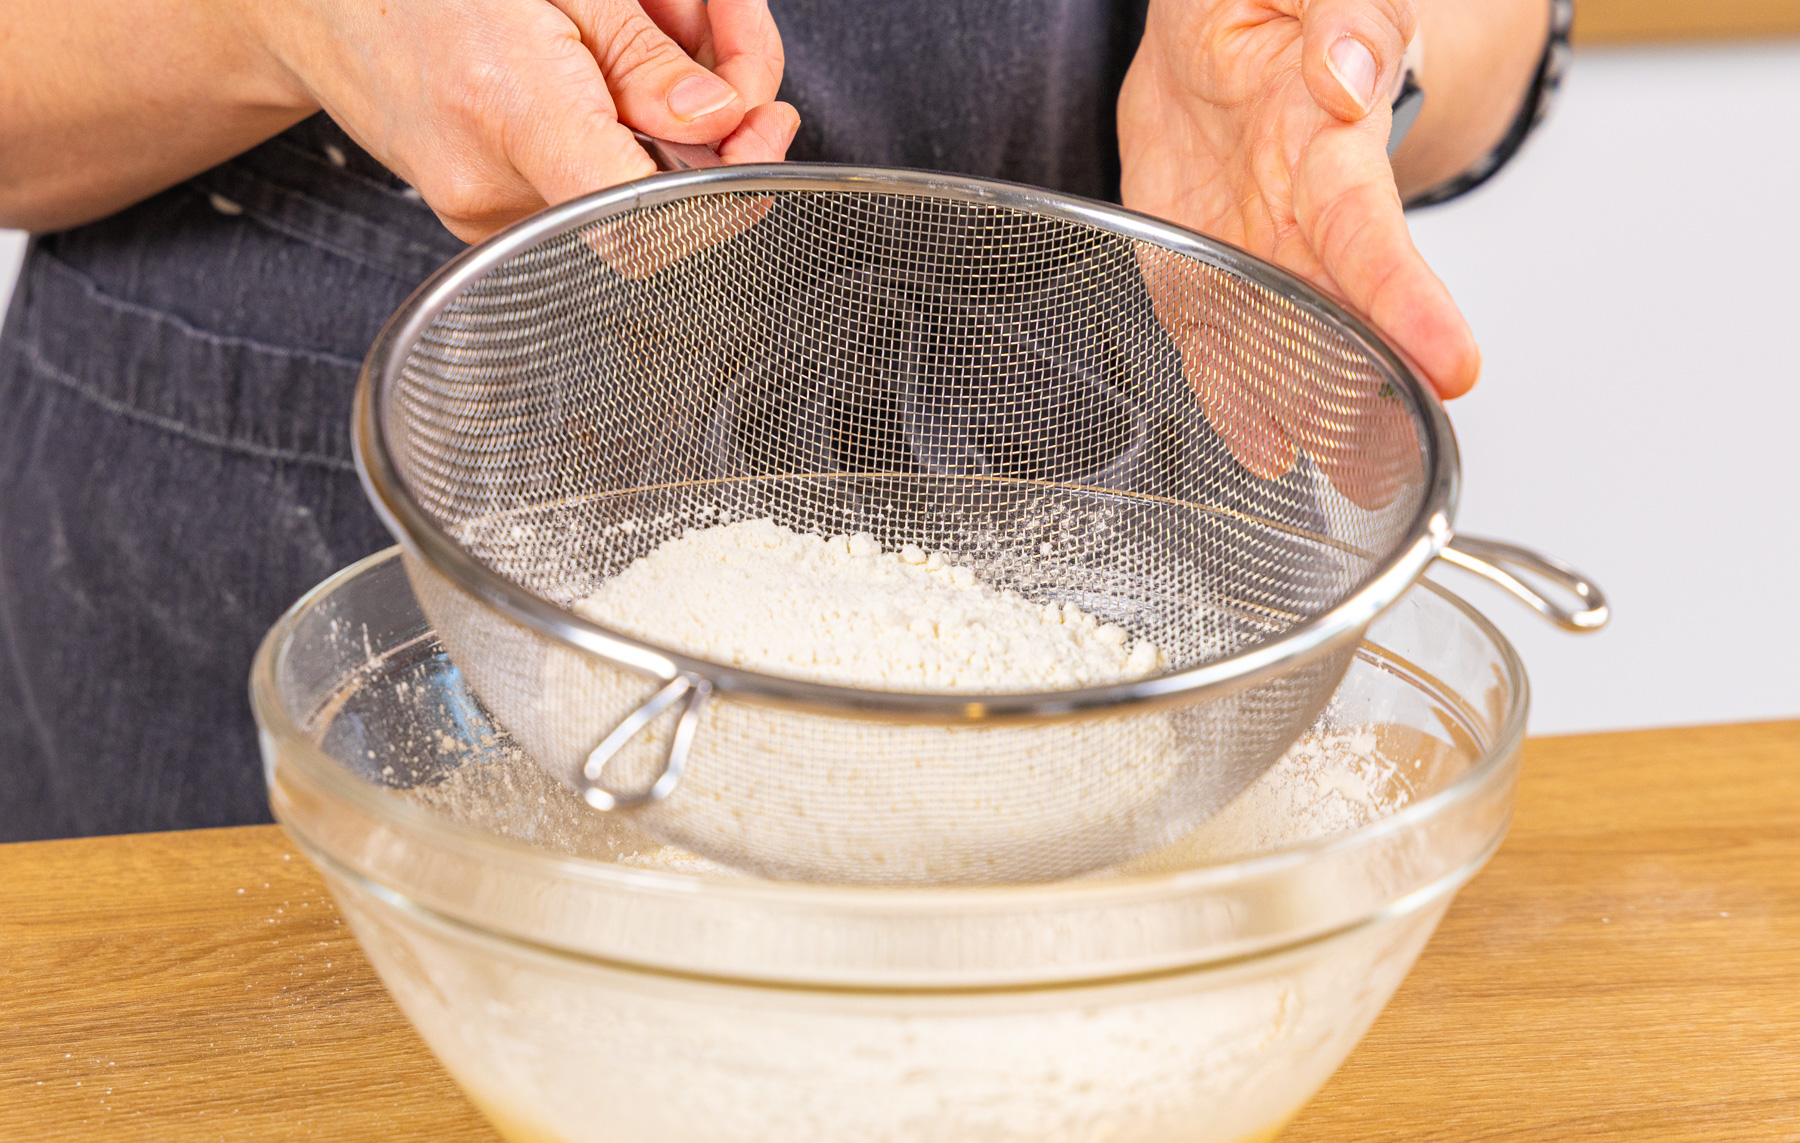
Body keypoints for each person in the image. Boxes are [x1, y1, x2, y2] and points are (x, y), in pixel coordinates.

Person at [0, 0, 1568, 841]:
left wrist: (1341, 54)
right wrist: (298, 16)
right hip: (247, 557)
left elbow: (1499, 42)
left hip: (1129, 549)